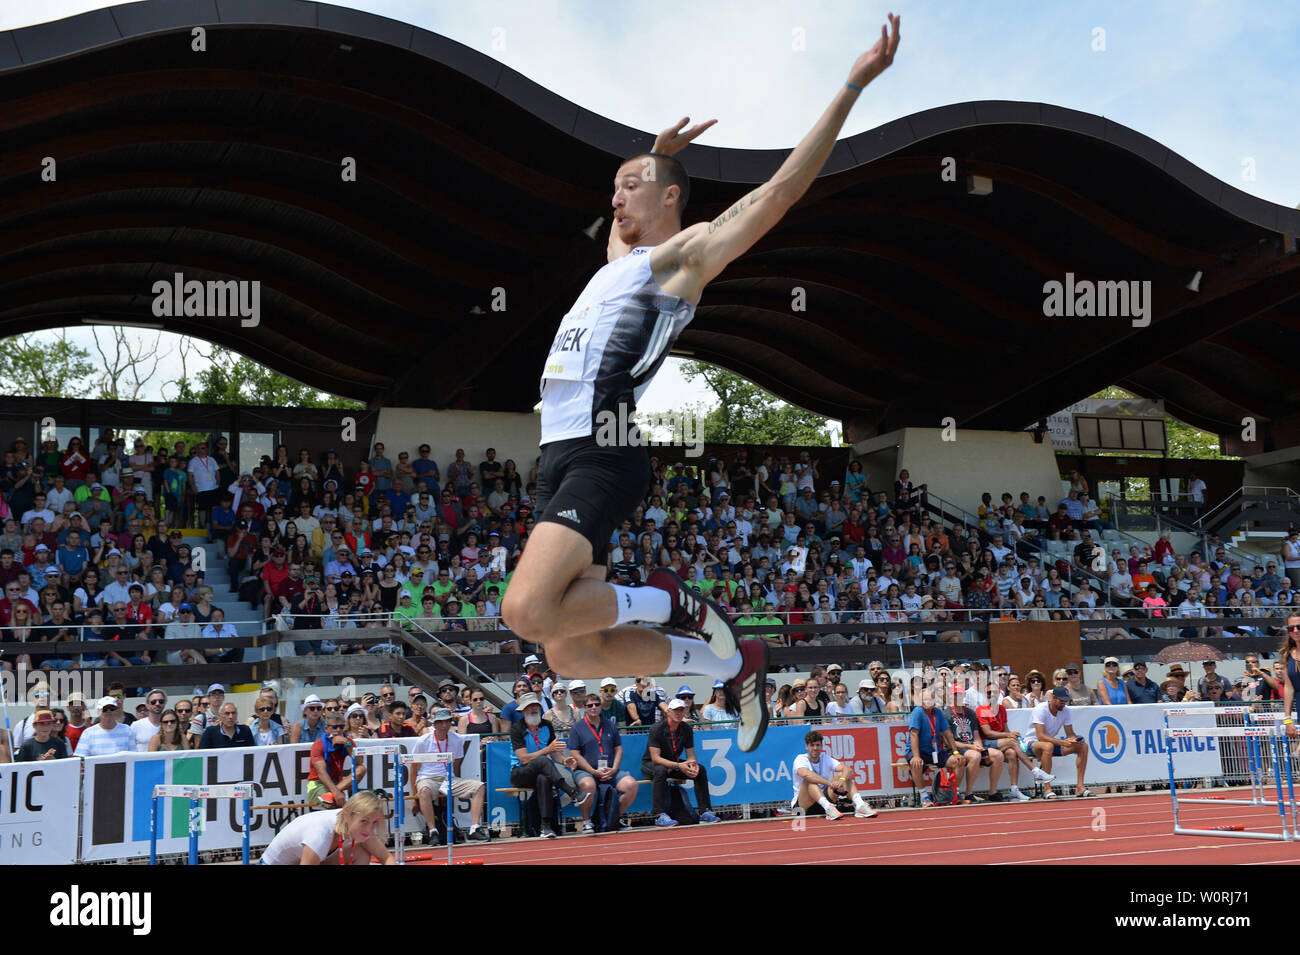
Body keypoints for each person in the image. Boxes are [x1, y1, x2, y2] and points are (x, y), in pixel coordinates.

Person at [499, 20, 903, 756]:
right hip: (556, 456)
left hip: (602, 448)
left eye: (631, 188)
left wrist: (850, 87)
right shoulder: (616, 261)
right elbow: (622, 231)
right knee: (570, 653)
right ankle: (721, 659)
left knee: (527, 610)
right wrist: (651, 155)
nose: (615, 200)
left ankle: (670, 601)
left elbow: (778, 193)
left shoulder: (683, 258)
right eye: (612, 188)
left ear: (673, 198)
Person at [508, 695, 588, 839]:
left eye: (535, 705)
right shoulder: (516, 728)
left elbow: (555, 752)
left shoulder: (546, 725)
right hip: (520, 773)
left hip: (540, 771)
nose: (533, 708)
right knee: (543, 760)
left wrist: (564, 760)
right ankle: (572, 792)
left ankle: (545, 827)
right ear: (523, 710)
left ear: (539, 707)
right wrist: (547, 750)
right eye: (529, 706)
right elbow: (524, 758)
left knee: (543, 779)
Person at [410, 708, 490, 844]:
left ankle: (474, 829)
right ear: (434, 724)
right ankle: (432, 831)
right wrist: (415, 797)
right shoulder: (423, 741)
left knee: (480, 787)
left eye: (446, 722)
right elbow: (413, 769)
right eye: (440, 722)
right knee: (424, 791)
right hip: (428, 778)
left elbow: (456, 766)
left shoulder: (457, 740)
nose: (443, 725)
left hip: (448, 778)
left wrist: (454, 786)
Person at [642, 697, 721, 827]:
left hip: (674, 763)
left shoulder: (686, 729)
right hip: (651, 764)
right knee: (660, 770)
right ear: (668, 711)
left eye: (681, 710)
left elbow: (691, 755)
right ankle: (659, 815)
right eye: (675, 710)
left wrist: (692, 765)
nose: (678, 713)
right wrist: (679, 765)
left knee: (700, 770)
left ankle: (705, 811)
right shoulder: (657, 729)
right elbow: (655, 758)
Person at [568, 692, 640, 834]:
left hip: (609, 770)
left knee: (631, 785)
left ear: (601, 706)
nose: (594, 707)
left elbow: (618, 748)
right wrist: (593, 771)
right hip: (586, 771)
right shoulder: (577, 728)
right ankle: (587, 822)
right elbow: (575, 754)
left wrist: (614, 769)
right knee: (588, 785)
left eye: (597, 704)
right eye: (590, 705)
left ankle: (614, 817)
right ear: (585, 708)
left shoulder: (610, 725)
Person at [258, 791, 394, 865]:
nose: (370, 829)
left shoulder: (356, 825)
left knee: (361, 850)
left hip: (300, 860)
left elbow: (386, 857)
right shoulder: (320, 834)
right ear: (347, 816)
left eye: (375, 822)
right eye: (364, 821)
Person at [976, 684, 1047, 802]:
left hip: (998, 743)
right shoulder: (982, 710)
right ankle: (1035, 771)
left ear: (998, 693)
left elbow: (1005, 729)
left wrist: (1011, 735)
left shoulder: (1001, 709)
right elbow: (988, 733)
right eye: (989, 692)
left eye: (994, 692)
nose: (992, 695)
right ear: (985, 694)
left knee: (1012, 753)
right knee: (1012, 742)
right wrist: (1009, 736)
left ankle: (1014, 789)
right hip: (986, 743)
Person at [1022, 686, 1091, 798]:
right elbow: (1040, 736)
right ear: (1053, 698)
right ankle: (1047, 789)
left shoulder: (1066, 710)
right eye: (1061, 701)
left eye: (1065, 701)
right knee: (1048, 746)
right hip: (1031, 744)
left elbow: (1070, 733)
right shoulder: (1040, 709)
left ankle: (1080, 787)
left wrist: (1075, 739)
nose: (1063, 704)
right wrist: (1062, 742)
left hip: (1050, 744)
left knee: (1083, 746)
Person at [792, 729, 876, 819]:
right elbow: (806, 774)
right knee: (809, 781)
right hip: (803, 806)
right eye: (812, 745)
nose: (815, 748)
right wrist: (830, 784)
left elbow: (848, 769)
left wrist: (841, 781)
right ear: (807, 747)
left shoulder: (826, 758)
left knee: (843, 775)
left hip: (823, 803)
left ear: (821, 746)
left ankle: (860, 805)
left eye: (818, 745)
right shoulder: (800, 759)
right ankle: (829, 808)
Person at [905, 689, 964, 807]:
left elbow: (948, 733)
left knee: (959, 761)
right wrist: (916, 756)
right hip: (919, 751)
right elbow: (914, 734)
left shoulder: (937, 712)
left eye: (931, 699)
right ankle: (924, 797)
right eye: (925, 699)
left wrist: (956, 752)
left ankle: (954, 794)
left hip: (935, 751)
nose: (928, 702)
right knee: (916, 763)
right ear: (920, 701)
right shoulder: (917, 712)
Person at [306, 711, 365, 807]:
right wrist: (337, 793)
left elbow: (360, 762)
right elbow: (321, 773)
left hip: (337, 782)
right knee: (335, 803)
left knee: (362, 769)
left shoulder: (347, 741)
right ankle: (332, 795)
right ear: (326, 728)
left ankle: (331, 795)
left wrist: (347, 744)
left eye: (341, 727)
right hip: (318, 783)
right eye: (334, 727)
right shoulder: (318, 745)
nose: (338, 730)